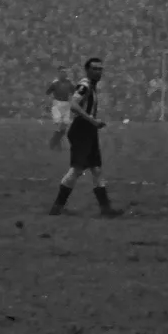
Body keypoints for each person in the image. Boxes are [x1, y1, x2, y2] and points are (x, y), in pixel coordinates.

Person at [48, 57, 120, 217]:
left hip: (89, 130)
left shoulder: (91, 86)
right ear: (87, 70)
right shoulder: (85, 85)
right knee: (77, 169)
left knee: (96, 169)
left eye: (100, 69)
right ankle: (57, 207)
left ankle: (106, 209)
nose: (98, 72)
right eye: (94, 69)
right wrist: (92, 120)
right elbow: (73, 105)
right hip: (82, 129)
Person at [45, 66, 76, 151]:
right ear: (58, 73)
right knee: (59, 125)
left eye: (65, 72)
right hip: (57, 104)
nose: (64, 74)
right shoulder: (55, 83)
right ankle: (54, 143)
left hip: (66, 104)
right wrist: (47, 104)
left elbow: (75, 93)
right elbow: (48, 93)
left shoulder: (69, 83)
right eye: (62, 72)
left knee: (64, 127)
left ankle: (55, 142)